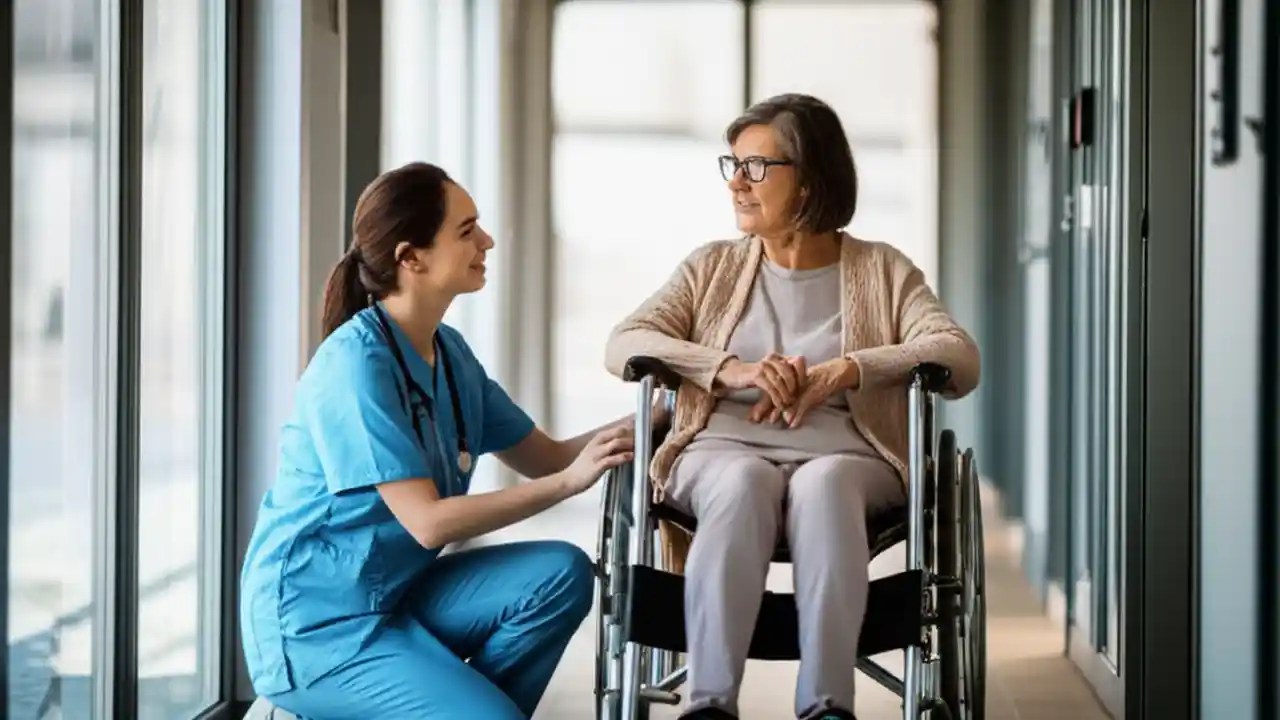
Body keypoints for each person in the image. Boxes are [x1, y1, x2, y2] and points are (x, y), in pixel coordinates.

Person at [604, 94, 981, 720]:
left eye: (757, 168)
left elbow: (958, 356)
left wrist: (849, 370)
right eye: (734, 166)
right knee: (742, 479)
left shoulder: (883, 270)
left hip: (848, 457)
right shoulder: (711, 268)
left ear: (808, 178)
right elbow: (624, 344)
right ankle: (709, 705)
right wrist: (729, 369)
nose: (738, 185)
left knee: (826, 484)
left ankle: (828, 705)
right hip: (720, 451)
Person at [240, 162, 638, 719]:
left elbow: (547, 457)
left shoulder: (448, 355)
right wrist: (567, 485)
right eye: (467, 229)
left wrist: (661, 415)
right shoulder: (354, 366)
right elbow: (428, 521)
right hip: (316, 628)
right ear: (411, 257)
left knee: (560, 575)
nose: (487, 241)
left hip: (399, 595)